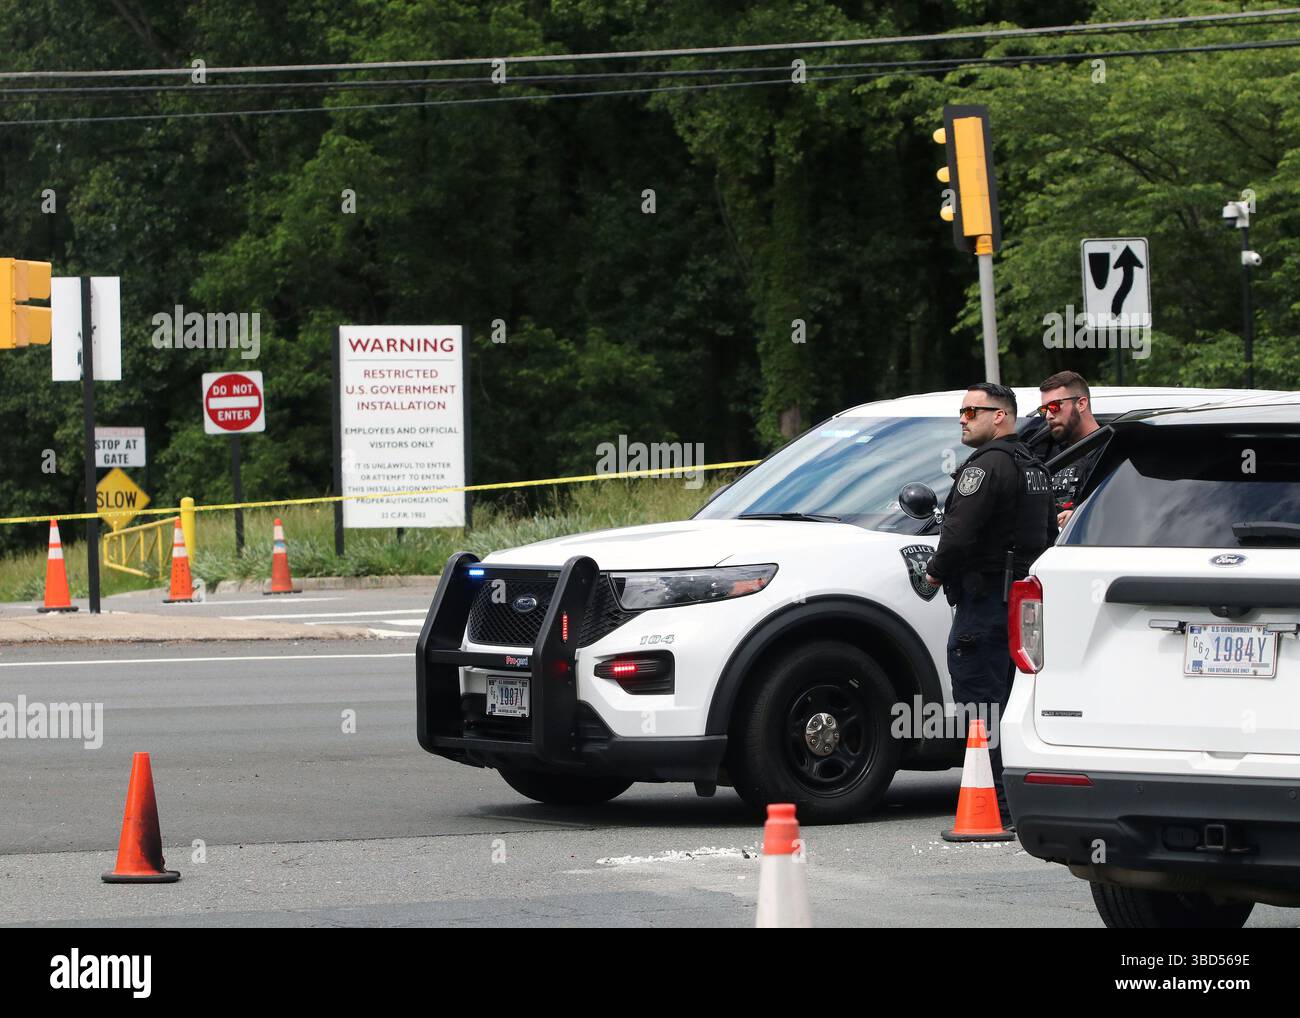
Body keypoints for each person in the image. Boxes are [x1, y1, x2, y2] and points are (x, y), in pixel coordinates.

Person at [925, 382, 1056, 824]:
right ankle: (1022, 801)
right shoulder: (1034, 465)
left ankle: (995, 805)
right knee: (1015, 704)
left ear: (999, 415)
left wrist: (935, 570)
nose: (963, 419)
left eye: (971, 412)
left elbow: (958, 535)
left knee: (981, 703)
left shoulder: (985, 467)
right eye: (961, 412)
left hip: (985, 604)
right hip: (1024, 605)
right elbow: (1049, 538)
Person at [1037, 370, 1101, 529]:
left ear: (1081, 404)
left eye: (1054, 406)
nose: (1048, 416)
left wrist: (1080, 516)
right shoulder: (1046, 451)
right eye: (1044, 409)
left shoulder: (1111, 449)